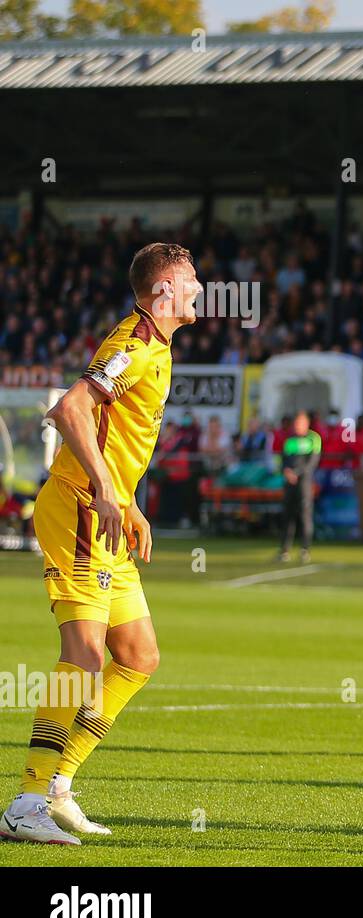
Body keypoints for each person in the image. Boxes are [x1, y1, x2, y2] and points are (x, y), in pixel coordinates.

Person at [2, 243, 199, 844]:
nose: (201, 290)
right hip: (81, 513)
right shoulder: (134, 347)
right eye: (192, 280)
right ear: (165, 288)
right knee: (84, 658)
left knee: (137, 656)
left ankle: (59, 786)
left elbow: (108, 431)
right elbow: (69, 410)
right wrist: (110, 493)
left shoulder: (155, 345)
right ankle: (26, 801)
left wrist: (129, 501)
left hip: (107, 513)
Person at [277, 411, 320, 563]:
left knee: (304, 516)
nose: (297, 426)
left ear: (306, 423)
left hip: (304, 483)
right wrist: (286, 472)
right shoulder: (289, 440)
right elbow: (283, 460)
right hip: (289, 483)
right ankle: (284, 550)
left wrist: (296, 473)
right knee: (287, 516)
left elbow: (312, 462)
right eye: (296, 423)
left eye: (300, 422)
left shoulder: (313, 439)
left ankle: (305, 549)